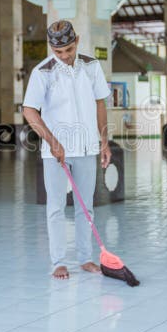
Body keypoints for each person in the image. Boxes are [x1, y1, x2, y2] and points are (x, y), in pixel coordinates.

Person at [22, 20, 112, 280]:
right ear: (51, 47)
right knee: (56, 207)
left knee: (87, 207)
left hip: (86, 148)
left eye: (69, 50)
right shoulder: (43, 72)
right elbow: (29, 110)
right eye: (58, 51)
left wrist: (103, 142)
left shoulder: (92, 66)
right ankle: (58, 262)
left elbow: (100, 103)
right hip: (56, 153)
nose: (64, 56)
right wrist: (51, 141)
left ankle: (85, 258)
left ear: (77, 41)